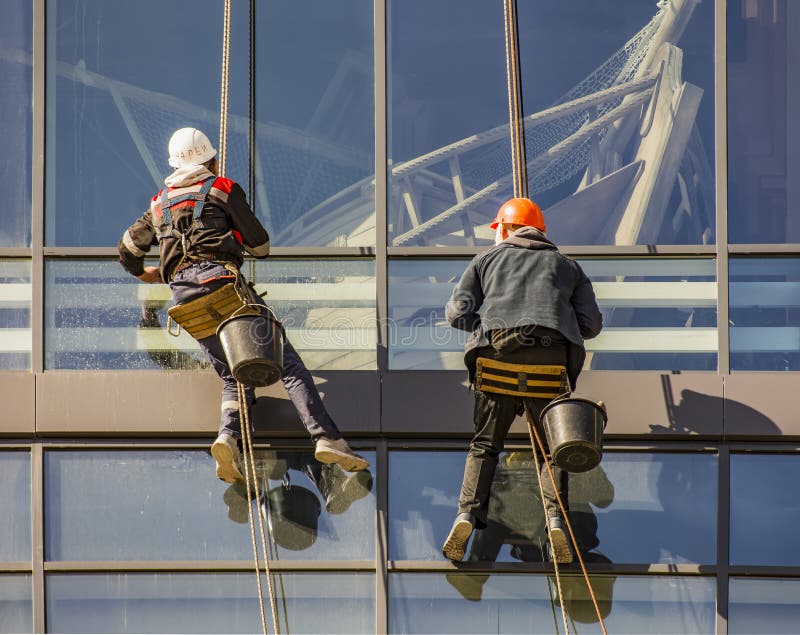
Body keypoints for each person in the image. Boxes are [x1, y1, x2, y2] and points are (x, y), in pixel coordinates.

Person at [118, 127, 369, 482]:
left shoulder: (158, 204)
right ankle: (326, 437)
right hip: (223, 287)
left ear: (174, 165)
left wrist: (148, 274)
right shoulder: (221, 188)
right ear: (211, 161)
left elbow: (128, 249)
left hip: (184, 299)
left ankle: (227, 438)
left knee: (232, 373)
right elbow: (260, 246)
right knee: (288, 365)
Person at [441, 197, 602, 564]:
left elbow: (456, 314)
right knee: (551, 451)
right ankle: (555, 520)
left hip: (496, 360)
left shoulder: (485, 260)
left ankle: (466, 514)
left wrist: (486, 327)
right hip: (549, 367)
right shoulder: (569, 267)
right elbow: (591, 325)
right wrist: (556, 324)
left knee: (485, 445)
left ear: (505, 228)